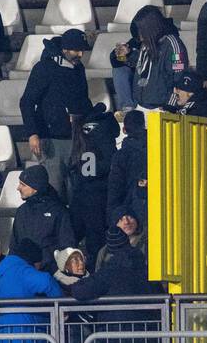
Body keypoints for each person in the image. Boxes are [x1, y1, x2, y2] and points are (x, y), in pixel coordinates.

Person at [19, 28, 93, 200]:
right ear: (65, 49)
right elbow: (27, 101)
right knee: (55, 192)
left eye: (82, 50)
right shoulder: (44, 68)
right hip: (51, 140)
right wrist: (33, 133)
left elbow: (83, 99)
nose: (80, 54)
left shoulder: (78, 69)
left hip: (76, 138)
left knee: (77, 194)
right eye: (76, 50)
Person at [67, 104, 120, 263]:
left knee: (95, 238)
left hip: (91, 194)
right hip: (98, 192)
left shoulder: (88, 132)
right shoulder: (103, 130)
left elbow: (95, 166)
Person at [111, 5, 189, 110]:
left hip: (161, 108)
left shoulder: (173, 45)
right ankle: (128, 107)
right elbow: (142, 66)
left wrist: (169, 106)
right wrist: (127, 55)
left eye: (141, 32)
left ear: (150, 28)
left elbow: (179, 78)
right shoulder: (146, 44)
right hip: (142, 105)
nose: (140, 36)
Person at [11, 165, 76, 273]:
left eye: (23, 185)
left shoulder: (58, 211)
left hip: (51, 272)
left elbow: (67, 246)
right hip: (22, 271)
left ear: (35, 188)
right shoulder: (21, 211)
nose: (18, 188)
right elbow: (14, 245)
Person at [107, 111, 149, 230]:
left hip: (133, 214)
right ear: (143, 126)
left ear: (124, 130)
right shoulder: (160, 147)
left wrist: (112, 218)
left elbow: (115, 189)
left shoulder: (121, 156)